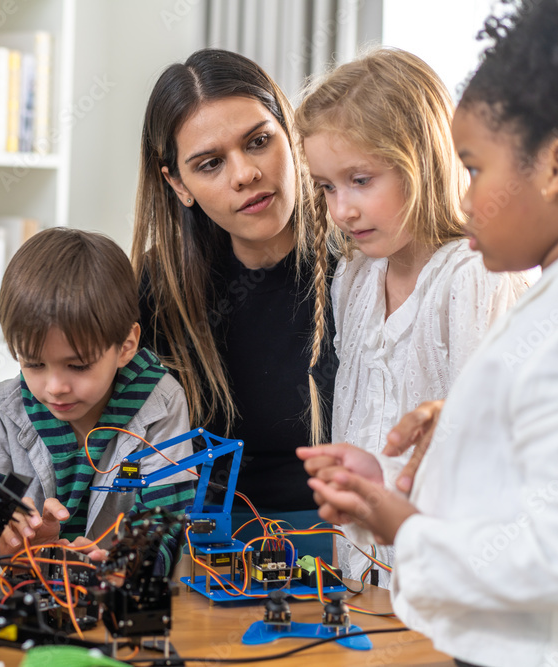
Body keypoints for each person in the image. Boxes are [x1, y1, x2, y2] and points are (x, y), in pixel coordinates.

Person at [299, 0, 558, 663]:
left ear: (557, 166)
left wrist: (401, 526)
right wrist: (393, 481)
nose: (463, 195)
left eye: (474, 168)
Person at [293, 48, 533, 587]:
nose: (341, 210)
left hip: (450, 577)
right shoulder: (354, 281)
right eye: (327, 187)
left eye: (360, 179)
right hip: (363, 577)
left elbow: (485, 448)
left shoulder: (474, 277)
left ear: (419, 161)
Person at [131, 48, 337, 560]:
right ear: (178, 184)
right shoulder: (159, 287)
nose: (244, 174)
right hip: (205, 552)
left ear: (291, 135)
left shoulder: (362, 264)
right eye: (210, 164)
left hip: (349, 550)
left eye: (259, 141)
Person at [0, 228, 196, 572]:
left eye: (78, 365)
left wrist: (121, 562)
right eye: (33, 363)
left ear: (126, 345)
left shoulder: (159, 404)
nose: (55, 387)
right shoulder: (6, 407)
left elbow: (166, 525)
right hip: (33, 595)